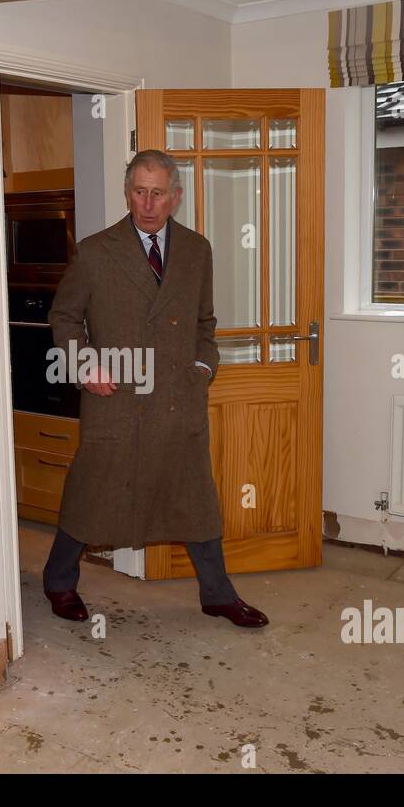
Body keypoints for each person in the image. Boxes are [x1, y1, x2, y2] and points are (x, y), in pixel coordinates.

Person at [43, 149, 269, 628]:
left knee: (194, 501)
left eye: (158, 193)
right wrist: (84, 363)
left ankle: (218, 593)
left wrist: (204, 366)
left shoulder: (196, 250)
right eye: (139, 192)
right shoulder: (96, 250)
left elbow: (205, 323)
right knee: (92, 495)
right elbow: (64, 317)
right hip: (115, 403)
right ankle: (58, 581)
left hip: (176, 401)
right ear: (128, 194)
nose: (148, 204)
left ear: (176, 197)